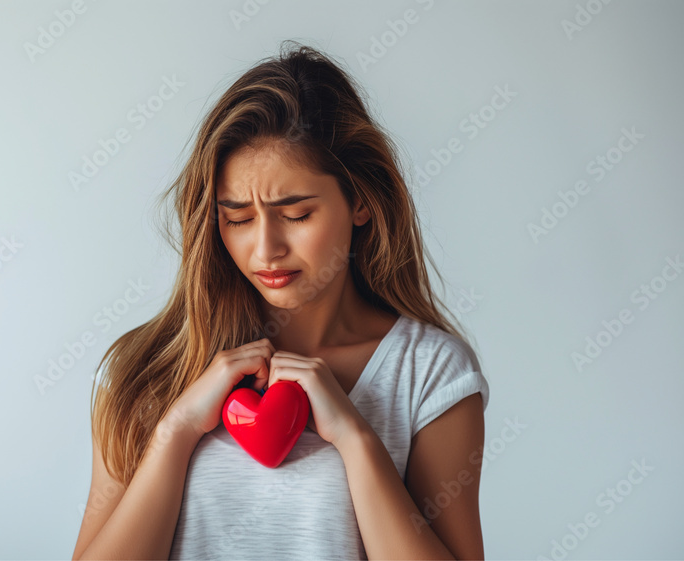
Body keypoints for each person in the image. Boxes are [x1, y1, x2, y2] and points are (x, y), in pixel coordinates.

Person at [71, 40, 490, 560]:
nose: (265, 249)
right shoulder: (140, 371)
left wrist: (356, 440)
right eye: (239, 219)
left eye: (296, 214)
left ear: (361, 200)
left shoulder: (429, 374)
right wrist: (175, 432)